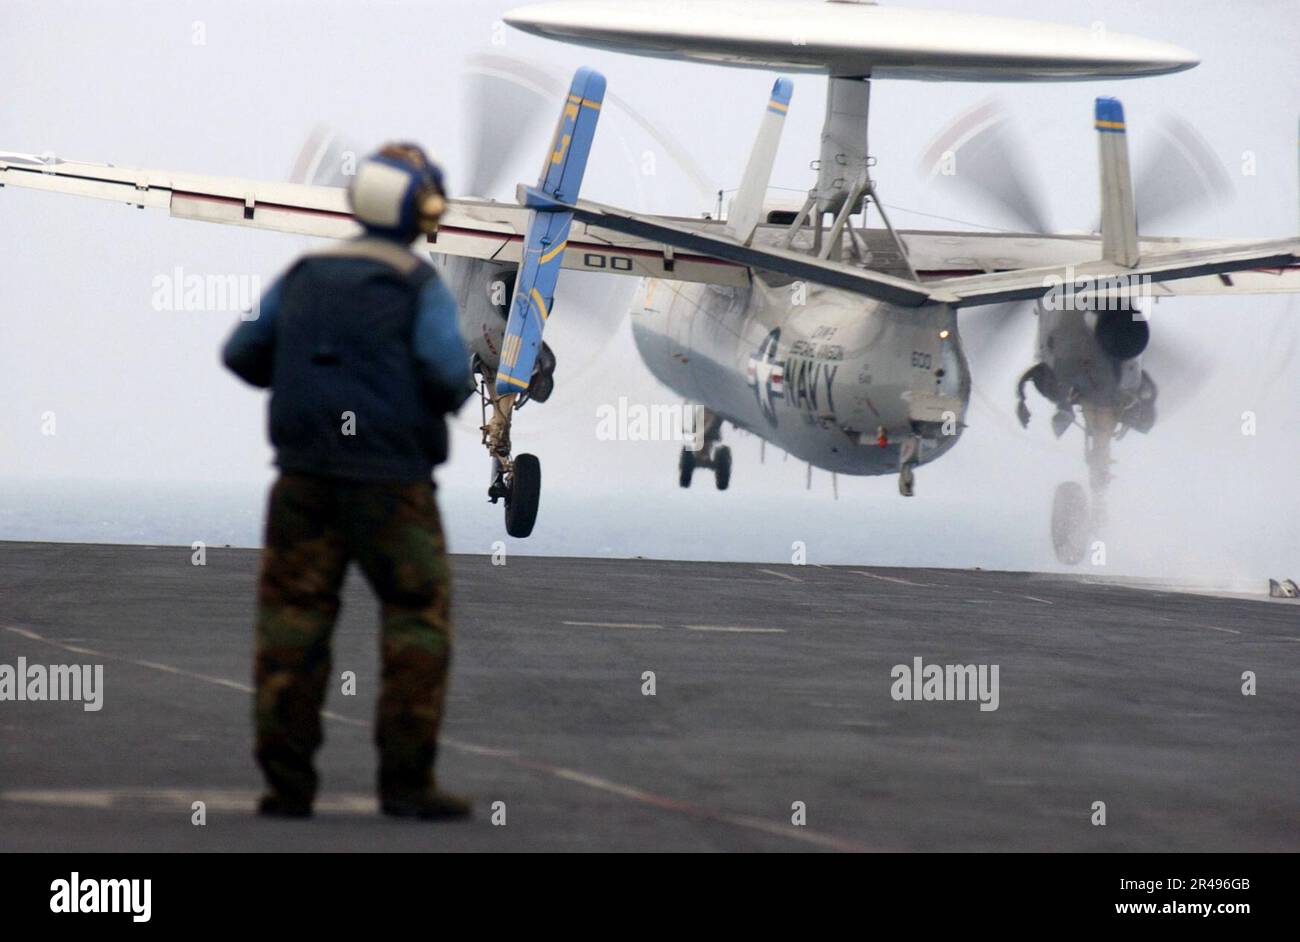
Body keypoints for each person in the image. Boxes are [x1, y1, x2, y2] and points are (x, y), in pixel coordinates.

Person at [222, 143, 474, 820]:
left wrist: (309, 377)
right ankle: (406, 784)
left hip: (303, 481)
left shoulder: (303, 272)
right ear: (421, 207)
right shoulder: (416, 285)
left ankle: (287, 786)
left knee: (292, 622)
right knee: (417, 619)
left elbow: (242, 351)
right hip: (394, 486)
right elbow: (452, 378)